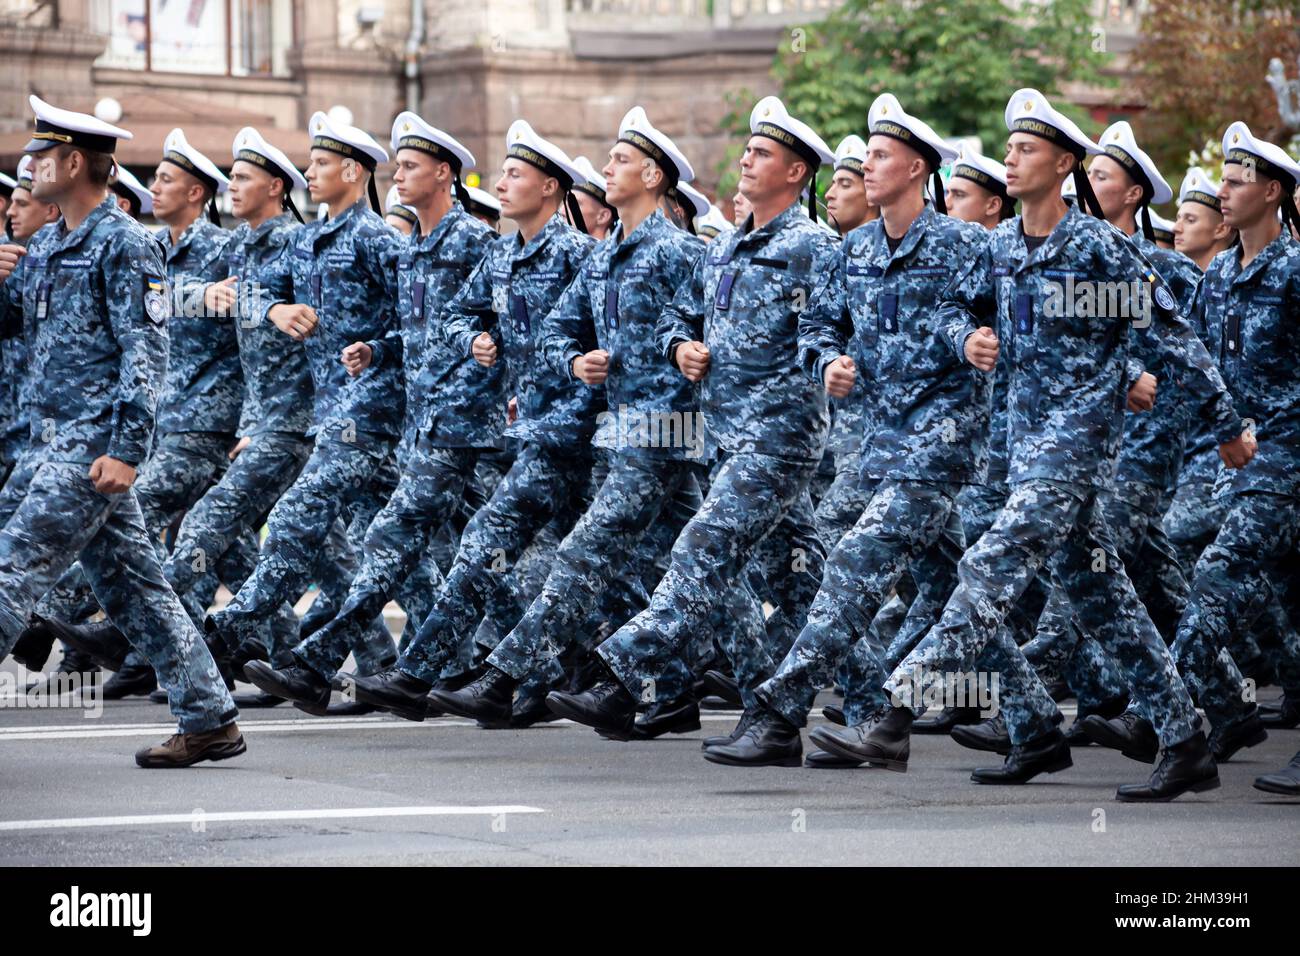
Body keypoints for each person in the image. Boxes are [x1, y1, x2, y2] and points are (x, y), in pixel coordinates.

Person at [812, 89, 1250, 802]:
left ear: (1065, 163)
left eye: (1026, 150)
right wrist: (967, 337)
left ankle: (892, 711)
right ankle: (1183, 736)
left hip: (1075, 450)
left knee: (987, 565)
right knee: (1103, 595)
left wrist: (1226, 426)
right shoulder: (1004, 247)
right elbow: (956, 305)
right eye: (1010, 147)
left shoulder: (1098, 250)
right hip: (1019, 448)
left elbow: (1169, 337)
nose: (1010, 159)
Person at [706, 94, 994, 768]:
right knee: (957, 582)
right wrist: (828, 360)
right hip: (877, 444)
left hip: (942, 444)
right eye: (866, 153)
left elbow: (1013, 317)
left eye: (882, 155)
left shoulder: (967, 243)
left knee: (851, 565)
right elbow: (818, 327)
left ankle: (782, 714)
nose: (866, 165)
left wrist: (978, 339)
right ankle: (1034, 722)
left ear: (919, 168)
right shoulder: (855, 247)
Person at [543, 95, 839, 739]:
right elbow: (682, 315)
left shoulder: (814, 246)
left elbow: (832, 331)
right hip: (726, 437)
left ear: (795, 173)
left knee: (700, 553)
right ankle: (875, 708)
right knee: (804, 583)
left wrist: (829, 367)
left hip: (780, 437)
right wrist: (682, 345)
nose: (746, 161)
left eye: (762, 154)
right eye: (748, 151)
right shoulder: (727, 248)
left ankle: (626, 678)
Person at [425, 106, 704, 729]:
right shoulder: (605, 257)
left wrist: (681, 357)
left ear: (654, 176)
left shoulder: (681, 253)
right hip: (618, 436)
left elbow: (707, 337)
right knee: (675, 566)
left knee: (586, 552)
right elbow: (557, 330)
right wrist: (577, 360)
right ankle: (669, 689)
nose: (607, 167)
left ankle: (506, 677)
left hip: (664, 431)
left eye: (622, 160)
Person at [0, 95, 243, 767]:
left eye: (42, 155)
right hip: (45, 444)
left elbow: (146, 351)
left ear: (75, 163)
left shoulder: (125, 244)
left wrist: (128, 449)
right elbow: (18, 332)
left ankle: (206, 715)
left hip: (89, 449)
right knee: (135, 588)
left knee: (9, 568)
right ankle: (209, 717)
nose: (29, 165)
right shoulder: (45, 243)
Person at [243, 111, 502, 715]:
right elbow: (417, 330)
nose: (400, 174)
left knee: (402, 536)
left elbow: (497, 322)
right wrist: (373, 346)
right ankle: (462, 670)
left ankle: (286, 650)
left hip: (444, 420)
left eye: (409, 165)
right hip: (414, 422)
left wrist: (485, 363)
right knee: (452, 546)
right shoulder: (408, 246)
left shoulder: (461, 240)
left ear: (444, 174)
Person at [347, 119, 597, 720]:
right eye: (504, 173)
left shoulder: (577, 253)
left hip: (576, 430)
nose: (503, 183)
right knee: (572, 557)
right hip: (531, 430)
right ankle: (539, 679)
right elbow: (457, 316)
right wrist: (477, 338)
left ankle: (629, 675)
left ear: (551, 188)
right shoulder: (506, 254)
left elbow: (597, 335)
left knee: (568, 553)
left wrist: (577, 372)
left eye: (516, 174)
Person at [1087, 121, 1300, 769]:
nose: (1224, 193)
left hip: (1286, 460)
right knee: (1282, 602)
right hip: (1233, 466)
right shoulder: (1220, 279)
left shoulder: (1293, 272)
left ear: (1271, 192)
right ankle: (1230, 715)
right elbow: (1197, 366)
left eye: (1237, 184)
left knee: (1212, 579)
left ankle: (1165, 718)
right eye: (1225, 182)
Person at [204, 109, 406, 677]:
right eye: (310, 162)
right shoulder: (307, 243)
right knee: (399, 550)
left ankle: (233, 629)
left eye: (321, 164)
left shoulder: (375, 240)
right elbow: (249, 295)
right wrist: (273, 307)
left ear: (353, 172)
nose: (309, 173)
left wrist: (378, 349)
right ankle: (409, 661)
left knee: (297, 517)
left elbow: (416, 322)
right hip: (328, 415)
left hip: (373, 413)